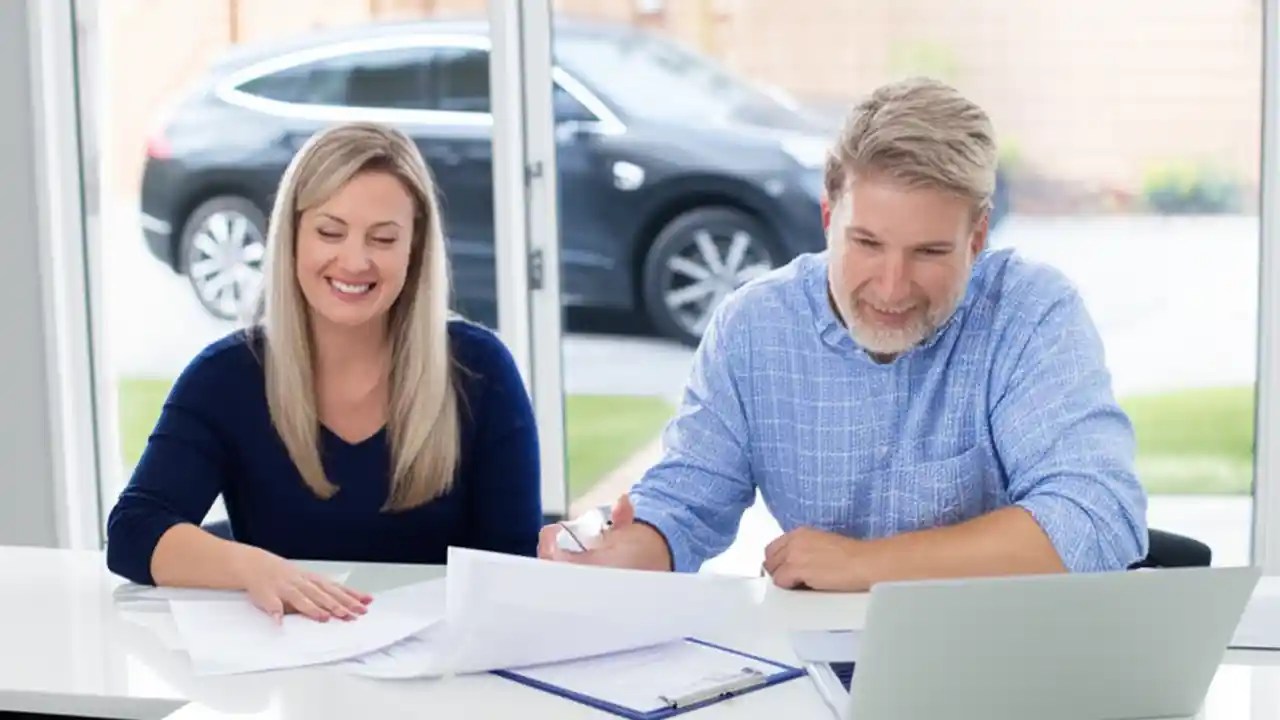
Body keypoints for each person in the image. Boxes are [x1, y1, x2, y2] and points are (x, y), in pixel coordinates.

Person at [538, 77, 1148, 590]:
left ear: (977, 238)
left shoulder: (1030, 313)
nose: (892, 287)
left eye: (930, 252)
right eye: (867, 243)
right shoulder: (753, 328)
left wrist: (865, 564)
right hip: (818, 666)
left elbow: (1096, 518)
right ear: (829, 217)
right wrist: (625, 550)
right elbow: (685, 503)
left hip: (1002, 663)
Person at [107, 122, 541, 621]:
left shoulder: (480, 371)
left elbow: (514, 568)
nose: (354, 261)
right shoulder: (225, 378)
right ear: (292, 237)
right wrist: (250, 567)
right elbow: (133, 531)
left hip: (445, 662)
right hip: (288, 659)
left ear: (415, 249)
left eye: (383, 238)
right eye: (330, 232)